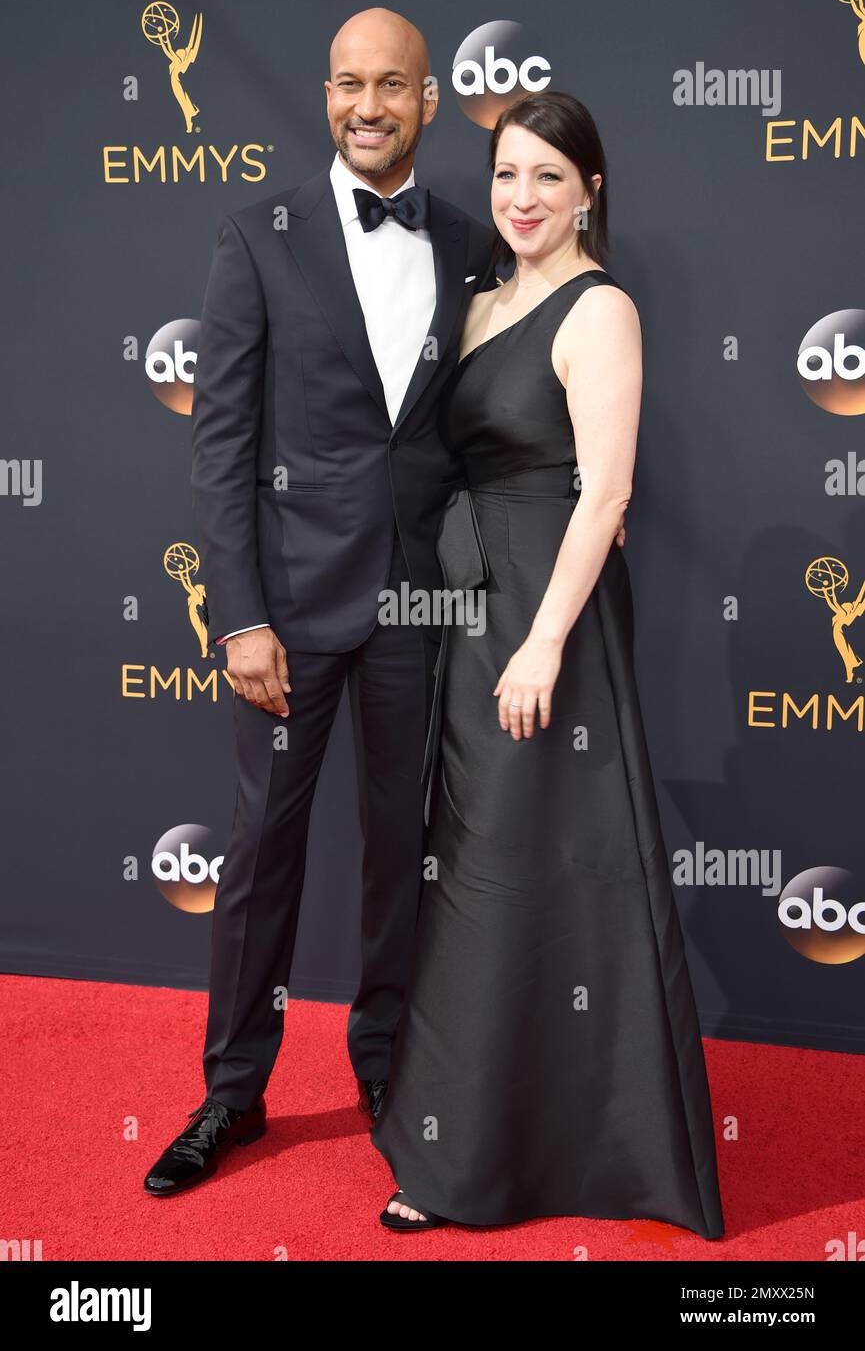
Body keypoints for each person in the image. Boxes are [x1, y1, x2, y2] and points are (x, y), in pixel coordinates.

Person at [142, 7, 503, 1197]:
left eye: (389, 86)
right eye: (347, 83)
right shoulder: (259, 237)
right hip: (285, 617)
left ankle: (390, 1069)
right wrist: (238, 614)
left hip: (415, 611)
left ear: (428, 100)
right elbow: (223, 445)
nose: (365, 106)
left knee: (404, 849)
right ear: (327, 90)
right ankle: (232, 1092)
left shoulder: (467, 244)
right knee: (262, 853)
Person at [372, 91, 725, 1241]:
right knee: (471, 873)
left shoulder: (600, 308)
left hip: (548, 629)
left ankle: (517, 1161)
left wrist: (540, 640)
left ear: (591, 190)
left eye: (548, 178)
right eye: (507, 174)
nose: (522, 199)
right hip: (473, 615)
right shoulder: (479, 302)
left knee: (528, 878)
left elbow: (608, 490)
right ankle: (464, 1141)